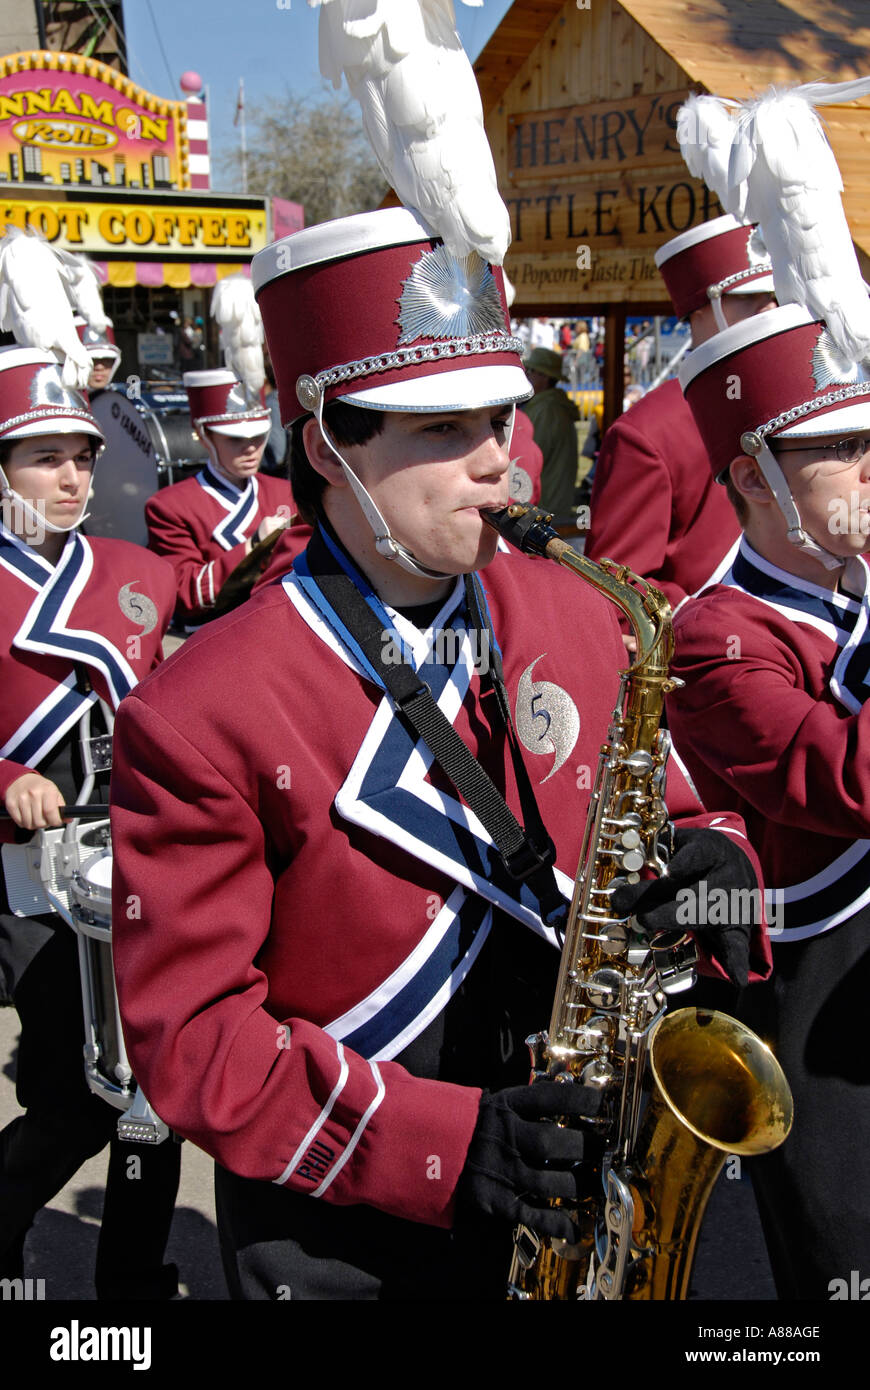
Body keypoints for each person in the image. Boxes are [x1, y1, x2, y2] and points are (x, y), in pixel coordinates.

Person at [110, 206, 767, 1302]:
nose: (498, 467)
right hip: (351, 1235)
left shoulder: (574, 609)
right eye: (440, 430)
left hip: (581, 1180)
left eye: (500, 419)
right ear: (327, 445)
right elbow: (193, 1042)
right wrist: (449, 1145)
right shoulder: (203, 710)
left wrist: (721, 884)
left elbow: (691, 813)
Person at [669, 296, 870, 1298]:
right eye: (839, 447)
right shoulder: (718, 634)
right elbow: (847, 781)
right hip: (818, 1004)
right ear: (752, 477)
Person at [0, 345, 182, 1299]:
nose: (73, 477)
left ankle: (133, 1290)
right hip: (28, 879)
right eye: (43, 458)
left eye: (81, 455)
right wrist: (6, 776)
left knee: (159, 1092)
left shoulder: (129, 569)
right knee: (74, 1099)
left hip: (140, 865)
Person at [586, 215, 776, 611]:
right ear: (702, 309)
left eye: (779, 296)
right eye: (749, 299)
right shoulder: (650, 432)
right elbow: (616, 588)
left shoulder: (806, 408)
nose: (773, 308)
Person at [144, 369, 295, 623]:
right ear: (204, 435)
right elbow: (184, 595)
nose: (250, 448)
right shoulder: (169, 506)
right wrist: (255, 545)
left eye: (258, 436)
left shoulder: (284, 492)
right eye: (235, 439)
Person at [520, 347, 580, 518]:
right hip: (553, 500)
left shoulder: (546, 410)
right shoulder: (549, 406)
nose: (527, 374)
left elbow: (528, 460)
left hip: (546, 504)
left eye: (531, 371)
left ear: (545, 377)